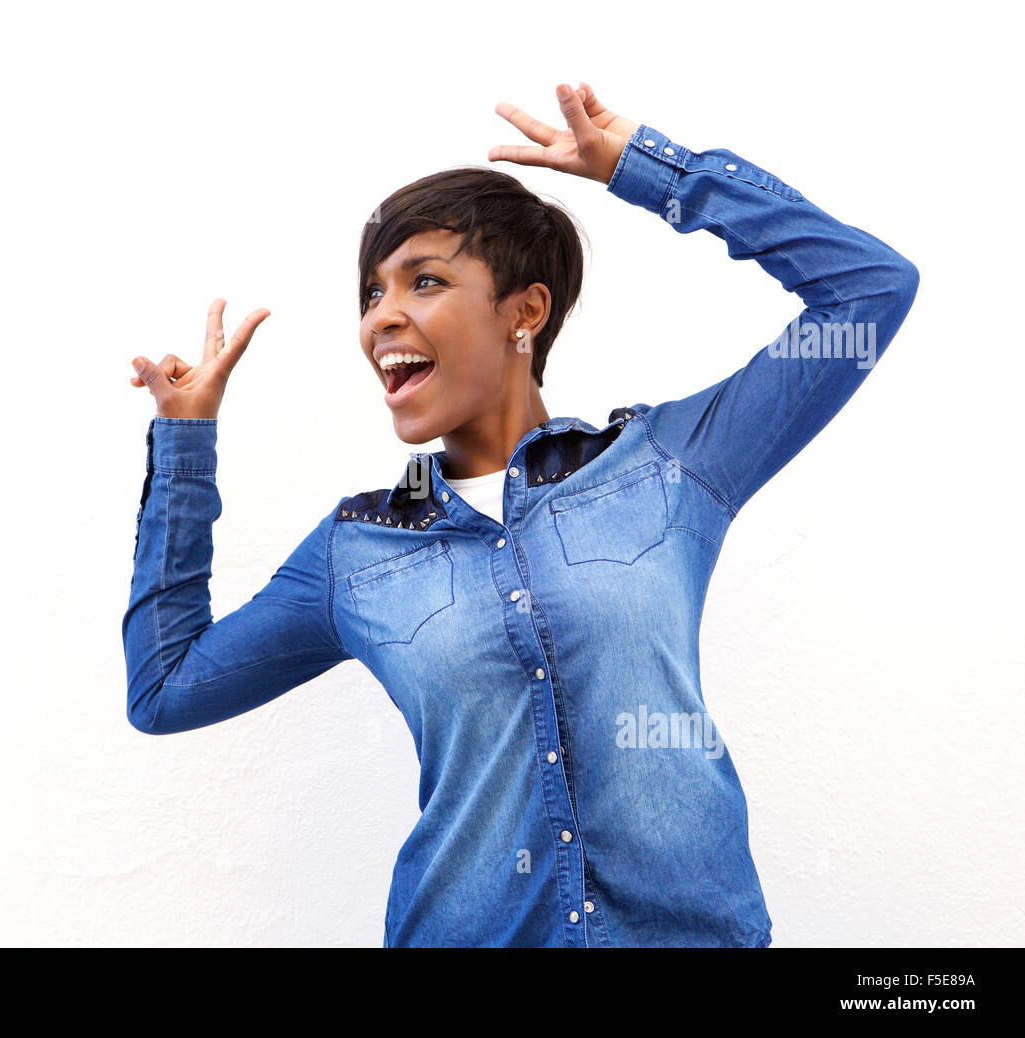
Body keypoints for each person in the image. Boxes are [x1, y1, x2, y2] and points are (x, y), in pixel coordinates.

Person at [123, 82, 919, 947]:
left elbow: (868, 292)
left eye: (423, 281)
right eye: (370, 295)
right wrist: (185, 439)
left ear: (525, 314)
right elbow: (165, 690)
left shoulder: (667, 466)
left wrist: (648, 170)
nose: (381, 317)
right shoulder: (358, 551)